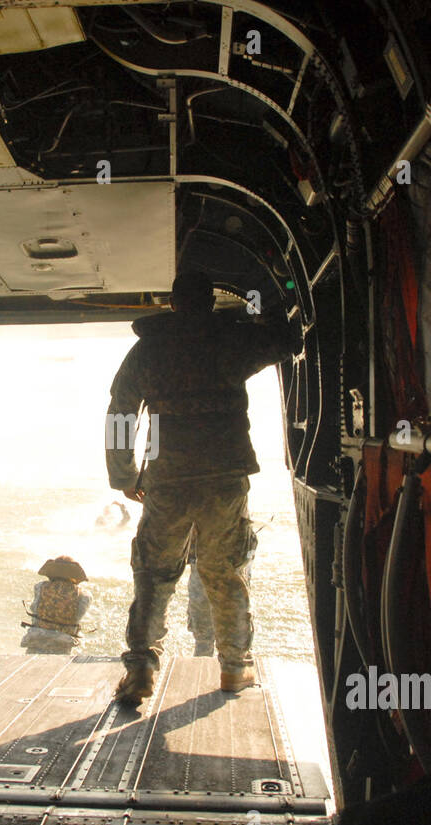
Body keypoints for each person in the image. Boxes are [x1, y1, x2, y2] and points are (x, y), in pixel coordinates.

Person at [106, 271, 296, 704]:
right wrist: (260, 296)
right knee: (224, 572)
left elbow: (121, 413)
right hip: (223, 478)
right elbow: (287, 340)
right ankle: (234, 669)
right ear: (210, 303)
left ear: (172, 304)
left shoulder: (149, 350)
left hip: (168, 479)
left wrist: (123, 474)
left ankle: (140, 673)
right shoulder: (230, 343)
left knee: (154, 575)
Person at [186, 527, 256, 657]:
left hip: (232, 554)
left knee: (236, 638)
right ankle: (229, 667)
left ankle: (237, 666)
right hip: (204, 553)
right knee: (204, 637)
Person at [20, 556, 92, 654]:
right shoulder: (84, 596)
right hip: (62, 645)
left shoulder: (40, 587)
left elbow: (34, 609)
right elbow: (77, 617)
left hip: (36, 639)